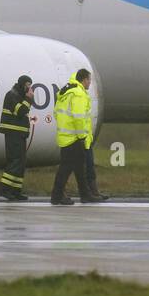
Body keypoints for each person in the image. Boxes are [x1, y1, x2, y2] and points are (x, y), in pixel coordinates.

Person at [51, 68, 106, 204]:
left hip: (66, 136)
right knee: (66, 168)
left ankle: (85, 194)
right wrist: (82, 136)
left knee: (79, 168)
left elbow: (56, 113)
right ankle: (57, 196)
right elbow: (79, 117)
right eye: (89, 80)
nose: (90, 83)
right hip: (75, 138)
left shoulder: (66, 92)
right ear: (84, 80)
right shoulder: (78, 94)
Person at [0, 75, 34, 201]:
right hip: (13, 134)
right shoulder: (12, 95)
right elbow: (21, 111)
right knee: (14, 161)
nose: (29, 87)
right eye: (27, 85)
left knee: (21, 163)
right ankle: (4, 189)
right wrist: (29, 99)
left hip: (20, 134)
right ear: (22, 84)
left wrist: (27, 99)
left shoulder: (21, 96)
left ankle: (15, 190)